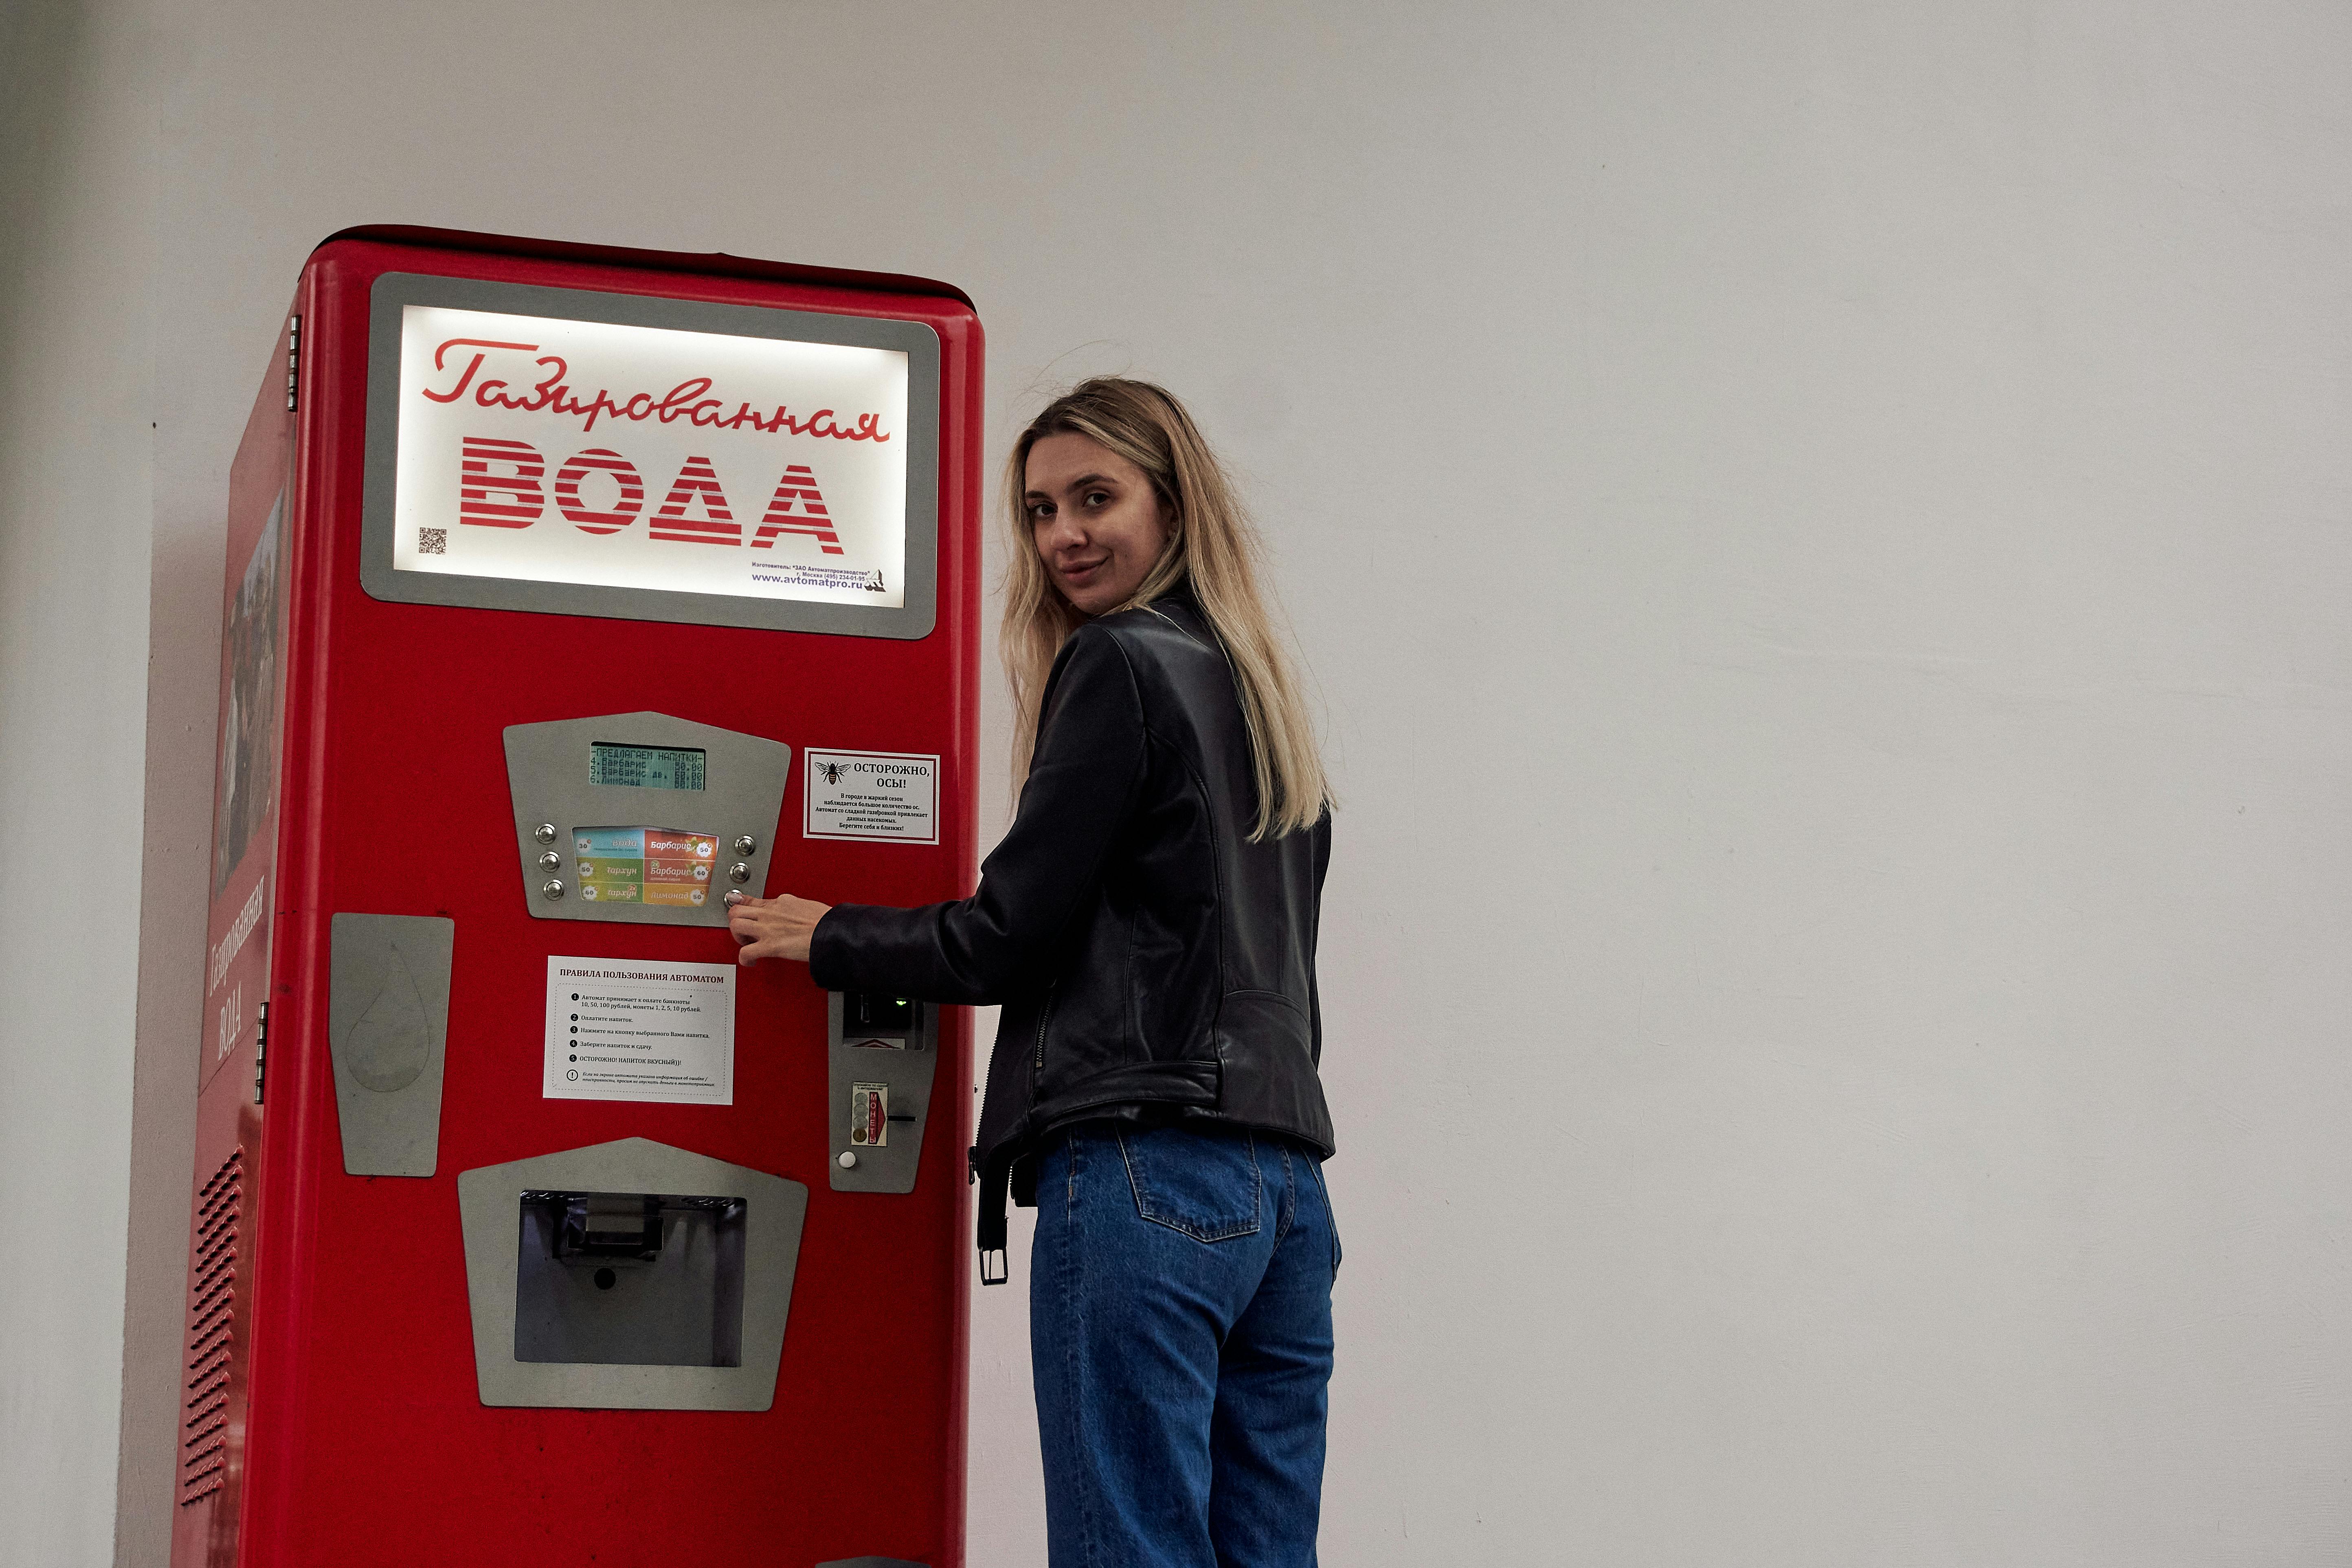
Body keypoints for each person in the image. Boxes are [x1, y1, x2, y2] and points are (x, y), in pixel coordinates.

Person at [729, 376, 1338, 1568]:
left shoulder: (1118, 663)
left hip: (1145, 1166)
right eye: (1041, 509)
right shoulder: (1263, 699)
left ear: (1174, 505)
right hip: (1284, 1198)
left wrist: (831, 933)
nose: (1064, 534)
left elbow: (1008, 933)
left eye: (1095, 497)